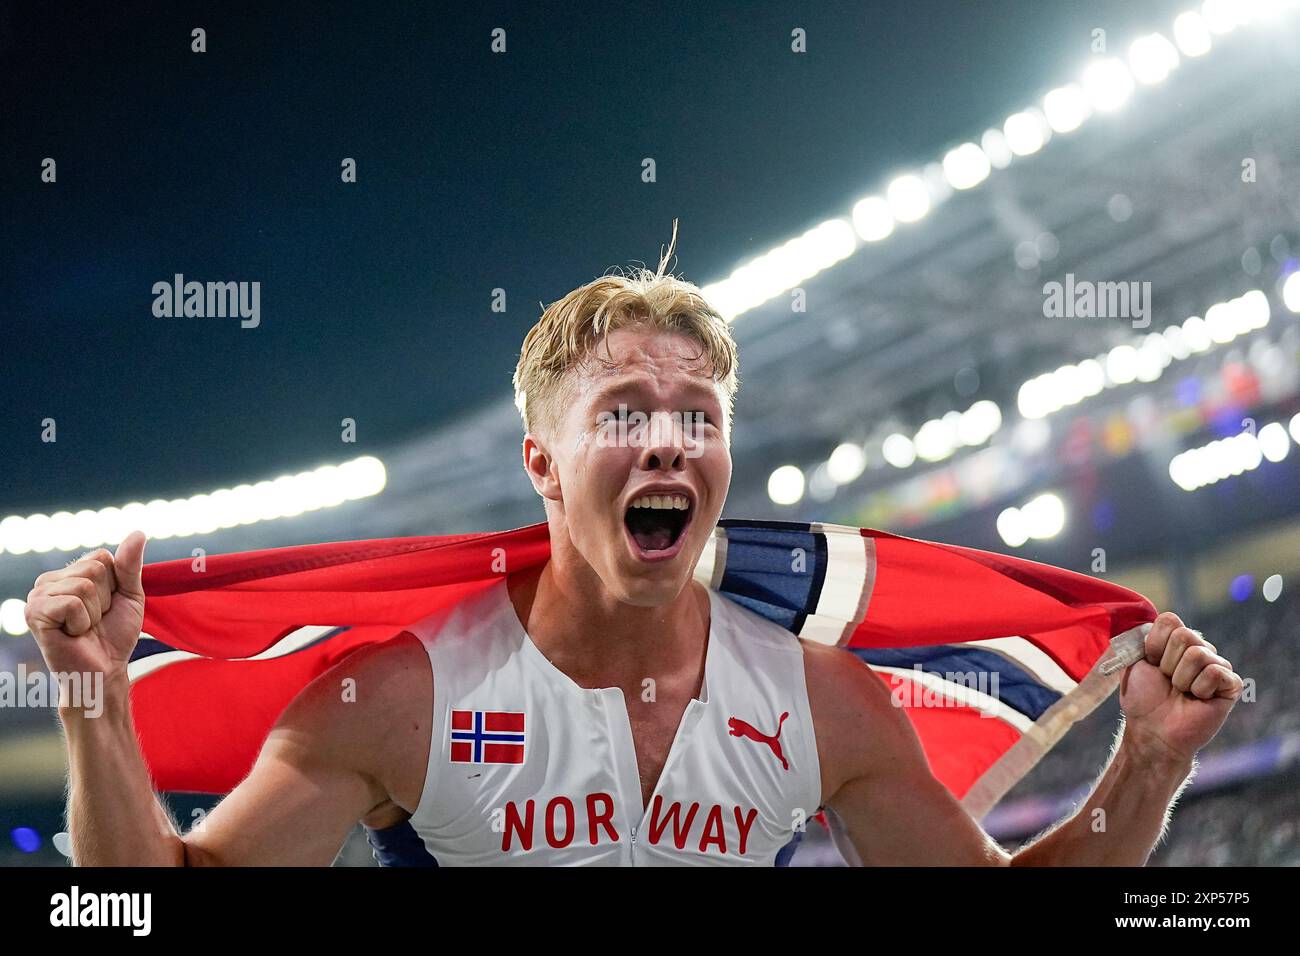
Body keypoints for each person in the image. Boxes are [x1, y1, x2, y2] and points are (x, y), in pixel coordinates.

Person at [25, 241, 1244, 866]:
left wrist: (1144, 762)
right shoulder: (400, 691)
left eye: (695, 418)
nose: (666, 444)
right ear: (542, 466)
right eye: (622, 413)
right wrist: (90, 691)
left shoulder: (821, 696)